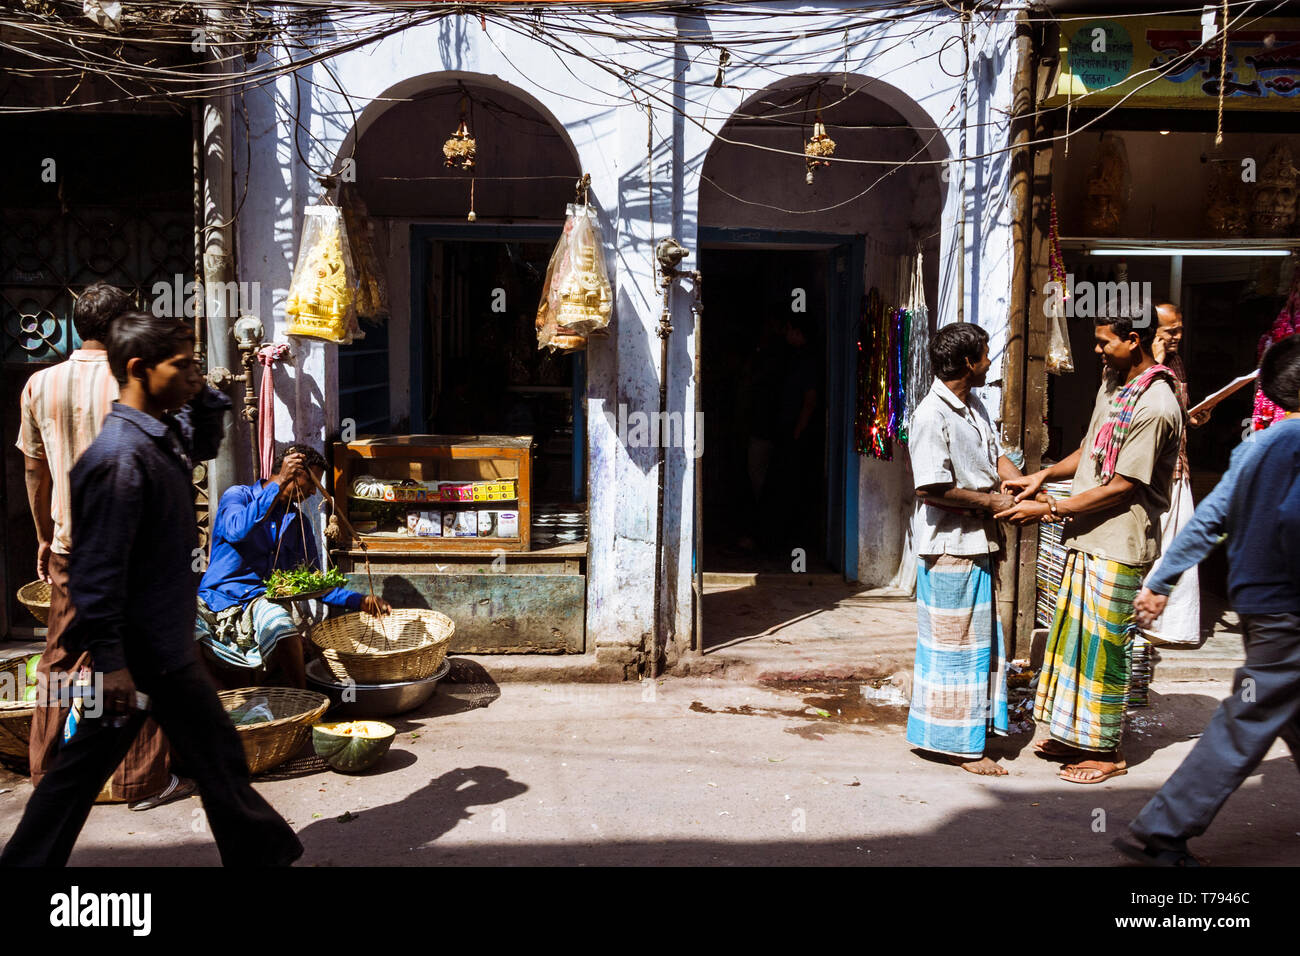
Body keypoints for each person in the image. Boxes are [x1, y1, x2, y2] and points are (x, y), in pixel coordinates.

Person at [0, 311, 302, 867]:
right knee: (89, 772)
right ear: (140, 369)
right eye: (180, 366)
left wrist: (201, 387)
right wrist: (112, 662)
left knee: (213, 758)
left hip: (163, 647)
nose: (191, 376)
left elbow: (206, 439)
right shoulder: (119, 458)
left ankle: (264, 853)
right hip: (141, 658)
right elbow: (97, 572)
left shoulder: (156, 436)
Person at [1117, 335, 1300, 865]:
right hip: (1287, 612)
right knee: (1247, 719)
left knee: (1280, 710)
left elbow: (1209, 521)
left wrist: (1161, 580)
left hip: (1262, 609)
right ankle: (1163, 828)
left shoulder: (1256, 447)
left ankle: (1165, 826)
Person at [15, 281, 188, 811]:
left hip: (73, 546)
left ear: (76, 325)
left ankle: (49, 773)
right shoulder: (138, 381)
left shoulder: (40, 385)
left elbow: (33, 467)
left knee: (61, 660)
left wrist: (45, 534)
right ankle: (142, 781)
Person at [999, 312, 1184, 784]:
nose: (1097, 351)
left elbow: (1122, 485)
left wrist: (1049, 510)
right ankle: (1072, 733)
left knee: (1105, 650)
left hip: (1119, 542)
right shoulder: (1115, 383)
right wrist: (1045, 474)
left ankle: (1105, 751)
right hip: (1088, 537)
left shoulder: (1157, 404)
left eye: (1105, 342)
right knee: (1073, 642)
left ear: (1134, 340)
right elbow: (1092, 446)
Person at [907, 323, 1021, 776]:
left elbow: (996, 457)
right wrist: (992, 501)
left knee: (977, 646)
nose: (990, 363)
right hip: (949, 545)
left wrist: (1018, 483)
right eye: (986, 356)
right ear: (969, 363)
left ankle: (966, 730)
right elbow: (932, 487)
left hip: (977, 542)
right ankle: (956, 745)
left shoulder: (973, 404)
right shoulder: (930, 415)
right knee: (953, 648)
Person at [196, 443, 390, 688]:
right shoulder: (238, 496)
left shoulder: (298, 523)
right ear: (292, 471)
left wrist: (359, 601)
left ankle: (303, 705)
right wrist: (278, 485)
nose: (312, 492)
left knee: (284, 629)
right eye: (311, 483)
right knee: (182, 630)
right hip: (215, 597)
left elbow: (313, 581)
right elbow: (237, 531)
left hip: (259, 600)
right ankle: (212, 702)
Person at [1143, 302, 1200, 646]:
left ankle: (1173, 627)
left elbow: (1174, 411)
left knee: (1179, 543)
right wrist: (1158, 363)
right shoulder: (1145, 363)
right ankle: (1149, 622)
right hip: (1152, 472)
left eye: (1180, 329)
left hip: (1179, 467)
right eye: (1170, 331)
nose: (1177, 336)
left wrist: (1192, 417)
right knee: (1157, 543)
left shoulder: (1176, 362)